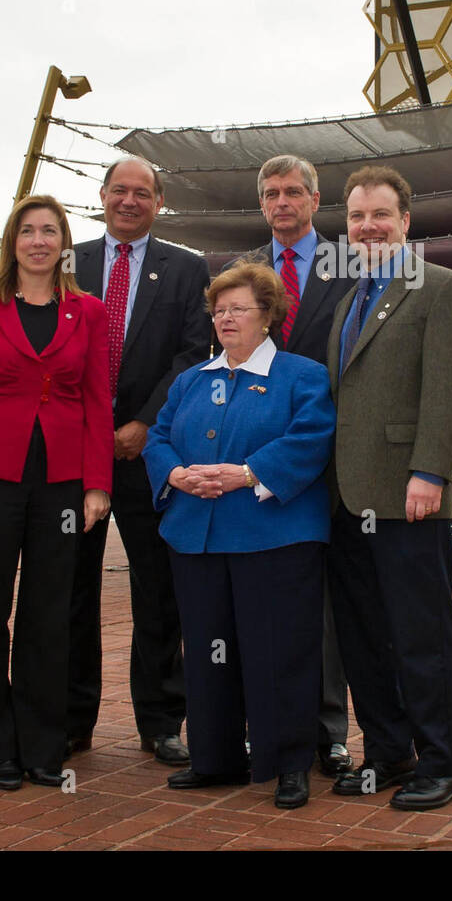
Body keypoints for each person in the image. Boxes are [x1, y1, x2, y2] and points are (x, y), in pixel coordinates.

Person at [143, 263, 336, 809]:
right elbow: (159, 436)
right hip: (196, 539)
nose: (226, 318)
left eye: (239, 309)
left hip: (275, 537)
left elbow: (312, 437)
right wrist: (175, 474)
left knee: (279, 651)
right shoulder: (191, 380)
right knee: (209, 652)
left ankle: (288, 763)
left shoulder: (302, 375)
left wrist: (247, 473)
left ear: (268, 315)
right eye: (219, 310)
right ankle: (216, 758)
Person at [0, 194, 112, 790]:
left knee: (48, 614)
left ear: (63, 243)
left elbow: (96, 399)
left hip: (63, 484)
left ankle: (42, 745)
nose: (39, 241)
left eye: (50, 231)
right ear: (10, 241)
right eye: (28, 231)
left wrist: (97, 485)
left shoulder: (88, 313)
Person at [326, 165, 452, 811]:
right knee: (364, 636)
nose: (368, 227)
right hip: (346, 500)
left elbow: (450, 389)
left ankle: (443, 762)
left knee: (421, 636)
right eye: (357, 217)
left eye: (380, 215)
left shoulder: (442, 288)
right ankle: (387, 752)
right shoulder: (346, 299)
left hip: (407, 495)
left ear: (406, 221)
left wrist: (429, 472)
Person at [67, 157, 211, 764]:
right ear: (102, 196)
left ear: (159, 203)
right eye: (120, 190)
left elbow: (191, 353)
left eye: (143, 193)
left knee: (159, 591)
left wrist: (144, 422)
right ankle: (72, 720)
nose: (130, 201)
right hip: (72, 455)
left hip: (146, 453)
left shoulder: (187, 268)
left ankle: (160, 721)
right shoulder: (67, 261)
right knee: (71, 589)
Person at [231, 154, 357, 777]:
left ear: (314, 198)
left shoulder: (355, 265)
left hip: (333, 454)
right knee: (263, 597)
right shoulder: (240, 273)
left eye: (292, 192)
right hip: (259, 461)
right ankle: (268, 727)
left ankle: (329, 730)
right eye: (271, 194)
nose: (282, 202)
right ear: (261, 204)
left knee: (326, 599)